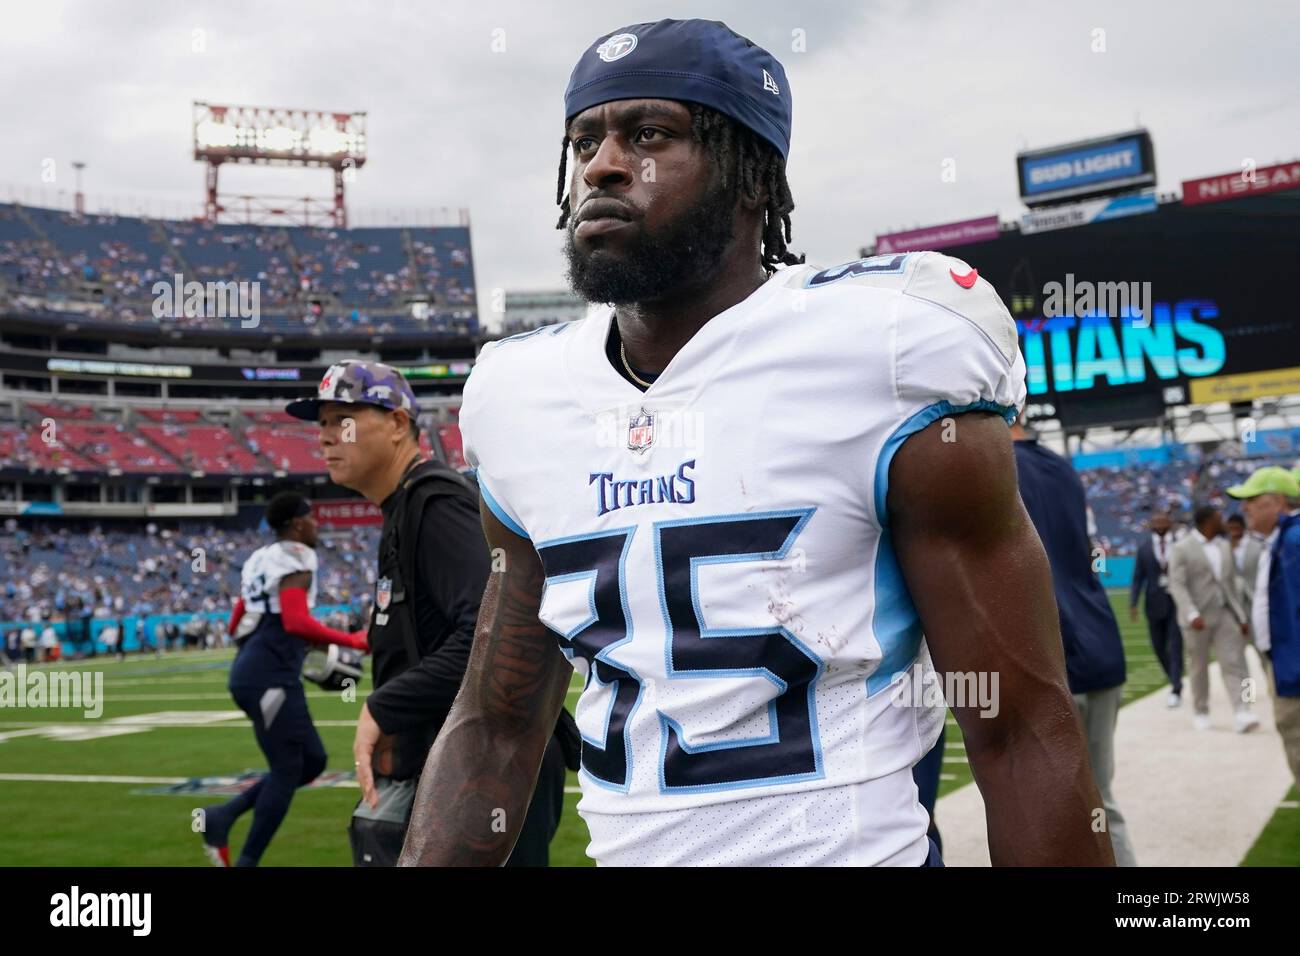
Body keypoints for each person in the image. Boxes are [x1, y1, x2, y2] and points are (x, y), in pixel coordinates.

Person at [398, 19, 1111, 867]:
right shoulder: (523, 395)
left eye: (651, 133)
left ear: (752, 176)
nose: (603, 164)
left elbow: (1020, 731)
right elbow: (499, 722)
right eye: (585, 139)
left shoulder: (881, 350)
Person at [285, 360, 575, 866]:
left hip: (489, 759)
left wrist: (383, 706)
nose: (327, 436)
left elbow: (495, 636)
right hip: (471, 756)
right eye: (322, 424)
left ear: (398, 424)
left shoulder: (435, 504)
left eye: (343, 419)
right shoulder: (406, 508)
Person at [199, 491, 368, 867]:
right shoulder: (297, 555)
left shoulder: (260, 557)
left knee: (313, 761)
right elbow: (293, 621)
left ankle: (223, 815)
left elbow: (236, 623)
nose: (317, 523)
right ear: (296, 523)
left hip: (259, 668)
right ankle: (246, 860)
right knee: (288, 768)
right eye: (312, 517)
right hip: (268, 676)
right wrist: (351, 640)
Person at [1011, 417, 1136, 867]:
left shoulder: (991, 464)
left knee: (1048, 815)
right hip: (1100, 643)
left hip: (1052, 658)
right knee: (1100, 803)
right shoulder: (1060, 466)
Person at [1227, 466, 1300, 791]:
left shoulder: (1295, 539)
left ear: (1278, 502)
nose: (1245, 508)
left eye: (1253, 499)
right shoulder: (1281, 538)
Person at [1167, 505, 1257, 733]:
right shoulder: (1181, 548)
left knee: (1235, 662)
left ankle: (1243, 710)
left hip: (1225, 613)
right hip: (1197, 618)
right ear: (1207, 521)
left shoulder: (1224, 546)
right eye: (1219, 518)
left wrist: (1241, 615)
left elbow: (1229, 585)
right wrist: (1191, 613)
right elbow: (1177, 584)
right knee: (1198, 667)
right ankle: (1201, 710)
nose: (1223, 522)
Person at [1129, 511, 1184, 707]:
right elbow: (1138, 578)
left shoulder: (1180, 544)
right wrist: (1133, 602)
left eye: (1163, 521)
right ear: (1151, 525)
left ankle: (1176, 687)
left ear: (1169, 523)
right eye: (1156, 521)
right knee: (1158, 647)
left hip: (1176, 602)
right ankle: (1174, 676)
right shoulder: (1144, 549)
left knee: (1175, 645)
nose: (1160, 525)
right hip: (1153, 604)